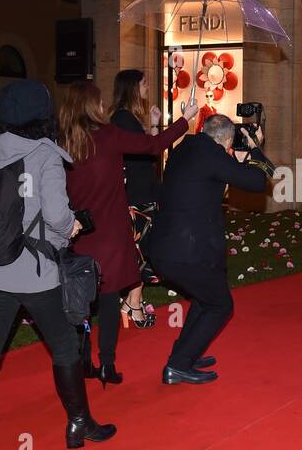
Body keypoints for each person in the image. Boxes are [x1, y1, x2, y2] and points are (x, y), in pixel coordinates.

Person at [0, 80, 113, 450]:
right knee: (64, 347)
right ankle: (79, 423)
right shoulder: (44, 154)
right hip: (35, 271)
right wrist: (67, 230)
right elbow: (57, 216)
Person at [59, 81, 197, 385]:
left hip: (76, 233)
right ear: (90, 105)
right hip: (109, 232)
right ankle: (107, 364)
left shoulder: (63, 143)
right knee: (108, 299)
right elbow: (150, 146)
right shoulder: (107, 136)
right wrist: (185, 120)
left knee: (80, 301)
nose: (102, 106)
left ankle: (82, 361)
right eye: (98, 101)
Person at [144, 113, 274, 384]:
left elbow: (211, 177)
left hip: (167, 245)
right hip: (186, 250)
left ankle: (184, 354)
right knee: (220, 305)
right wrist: (255, 148)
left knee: (205, 298)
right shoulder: (212, 155)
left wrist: (234, 160)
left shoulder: (185, 148)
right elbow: (256, 182)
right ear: (226, 139)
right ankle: (178, 365)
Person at [109, 68, 167, 326]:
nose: (147, 87)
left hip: (141, 192)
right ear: (132, 87)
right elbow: (143, 155)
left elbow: (149, 152)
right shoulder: (123, 120)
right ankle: (132, 304)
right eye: (144, 83)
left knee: (143, 248)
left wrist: (153, 123)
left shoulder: (129, 118)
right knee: (141, 249)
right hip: (136, 195)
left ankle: (133, 301)